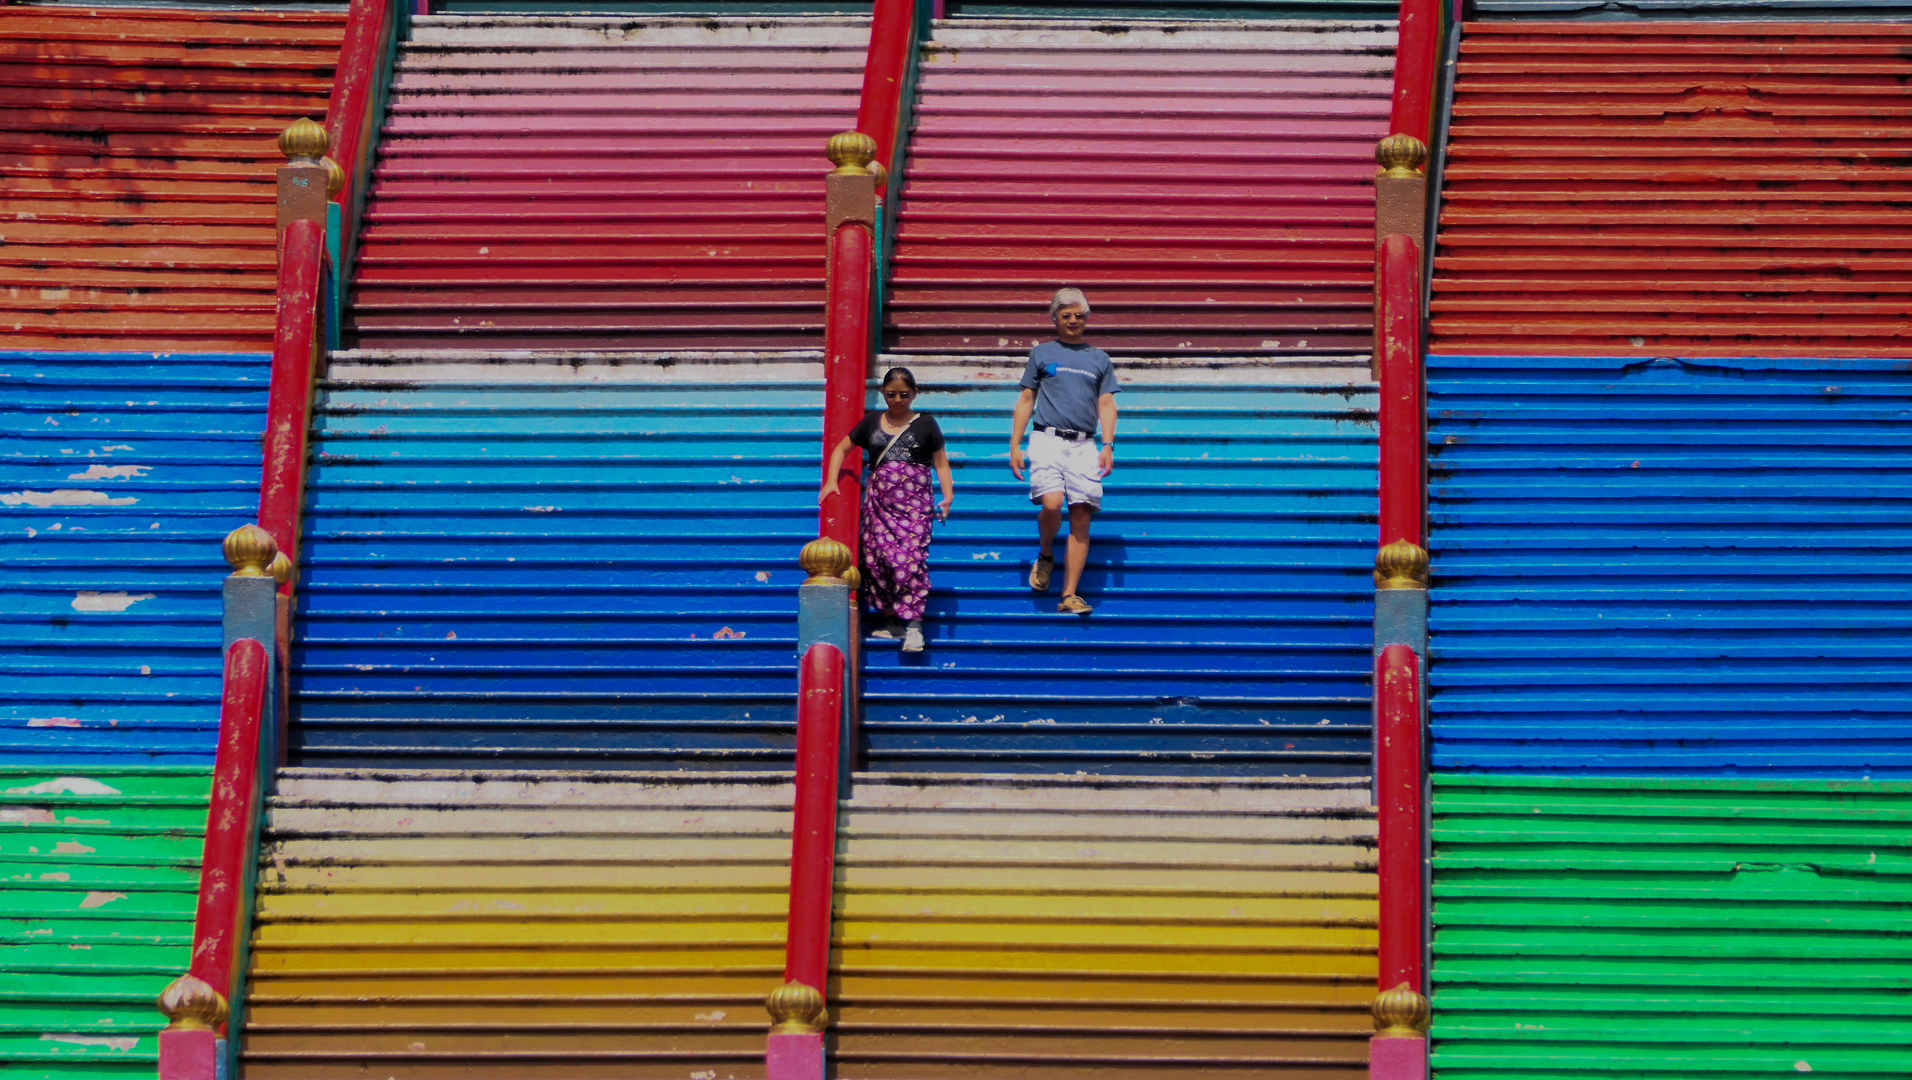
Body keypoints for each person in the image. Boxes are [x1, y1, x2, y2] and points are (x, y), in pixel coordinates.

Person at [820, 367, 953, 652]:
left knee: (911, 561)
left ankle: (915, 626)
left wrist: (948, 496)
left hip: (915, 507)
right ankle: (892, 622)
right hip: (879, 506)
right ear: (883, 393)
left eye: (904, 394)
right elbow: (840, 449)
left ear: (915, 393)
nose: (897, 400)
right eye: (891, 394)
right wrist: (831, 481)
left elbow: (941, 463)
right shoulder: (870, 422)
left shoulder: (926, 423)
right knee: (876, 560)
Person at [1009, 287, 1117, 615]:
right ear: (1055, 317)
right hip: (1047, 439)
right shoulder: (1041, 354)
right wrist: (1014, 443)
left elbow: (1107, 402)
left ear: (1087, 318)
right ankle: (1045, 554)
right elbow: (1027, 399)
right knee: (1053, 502)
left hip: (1085, 443)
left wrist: (1108, 444)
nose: (1073, 320)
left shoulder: (1099, 358)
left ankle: (1069, 594)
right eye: (1066, 315)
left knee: (1082, 515)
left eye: (1079, 315)